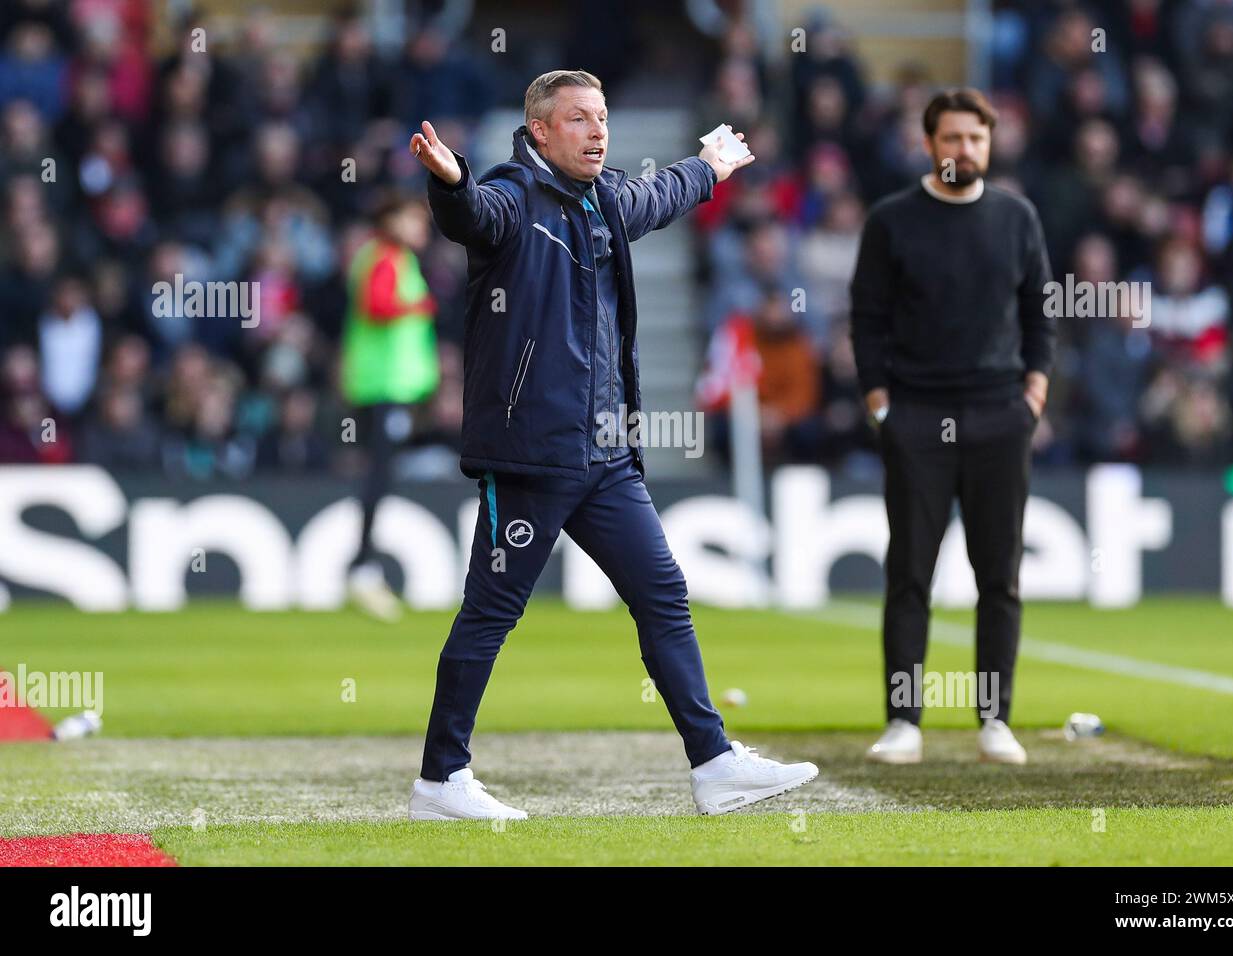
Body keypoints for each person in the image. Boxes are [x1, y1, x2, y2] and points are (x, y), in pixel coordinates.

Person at [407, 69, 817, 819]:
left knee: (663, 594)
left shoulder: (602, 199)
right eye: (579, 120)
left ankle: (714, 763)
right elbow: (472, 214)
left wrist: (710, 167)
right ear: (539, 131)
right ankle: (440, 780)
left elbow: (658, 198)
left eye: (602, 117)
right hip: (532, 455)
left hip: (605, 454)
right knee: (489, 616)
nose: (598, 132)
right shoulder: (513, 197)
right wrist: (450, 180)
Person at [850, 88, 1056, 765]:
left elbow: (1039, 314)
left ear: (989, 145)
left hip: (1002, 415)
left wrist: (1034, 393)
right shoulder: (892, 220)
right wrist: (881, 404)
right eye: (951, 138)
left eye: (975, 139)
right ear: (929, 143)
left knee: (1000, 576)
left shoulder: (1017, 217)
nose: (963, 150)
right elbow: (868, 317)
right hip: (916, 414)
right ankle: (903, 721)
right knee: (910, 573)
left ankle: (995, 719)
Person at [341, 192, 440, 621]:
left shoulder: (381, 256)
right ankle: (362, 567)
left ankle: (364, 564)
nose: (421, 228)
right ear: (393, 220)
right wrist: (419, 304)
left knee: (381, 475)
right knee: (379, 477)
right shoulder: (387, 257)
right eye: (414, 220)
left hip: (387, 387)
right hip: (384, 387)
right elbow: (378, 306)